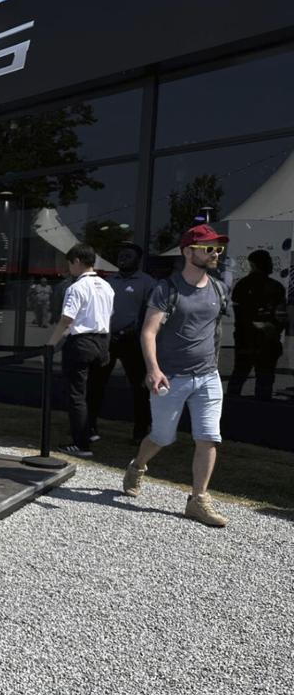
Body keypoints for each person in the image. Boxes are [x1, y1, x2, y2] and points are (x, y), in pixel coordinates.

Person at [123, 224, 231, 527]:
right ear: (187, 251)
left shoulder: (219, 288)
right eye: (209, 248)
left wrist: (214, 365)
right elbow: (149, 331)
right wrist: (153, 369)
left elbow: (214, 331)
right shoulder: (166, 289)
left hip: (208, 377)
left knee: (209, 437)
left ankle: (198, 500)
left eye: (218, 248)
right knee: (162, 436)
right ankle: (138, 466)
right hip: (171, 378)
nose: (215, 254)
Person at [47, 244, 113, 457]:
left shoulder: (76, 288)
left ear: (76, 261)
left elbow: (67, 320)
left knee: (76, 394)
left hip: (81, 343)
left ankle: (81, 443)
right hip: (102, 342)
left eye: (69, 263)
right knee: (93, 392)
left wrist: (51, 344)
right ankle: (90, 430)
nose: (69, 269)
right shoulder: (107, 286)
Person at [89, 242, 156, 442]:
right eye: (121, 255)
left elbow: (150, 314)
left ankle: (141, 431)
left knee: (140, 388)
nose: (122, 258)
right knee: (95, 384)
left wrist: (134, 331)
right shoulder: (108, 281)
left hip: (133, 342)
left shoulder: (148, 283)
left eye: (128, 255)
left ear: (138, 260)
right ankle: (89, 425)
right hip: (107, 340)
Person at [227, 249, 286, 400]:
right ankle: (259, 411)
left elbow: (239, 315)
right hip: (260, 340)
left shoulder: (242, 285)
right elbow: (281, 316)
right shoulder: (274, 286)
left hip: (250, 340)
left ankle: (231, 410)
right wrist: (270, 328)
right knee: (261, 380)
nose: (271, 264)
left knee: (241, 378)